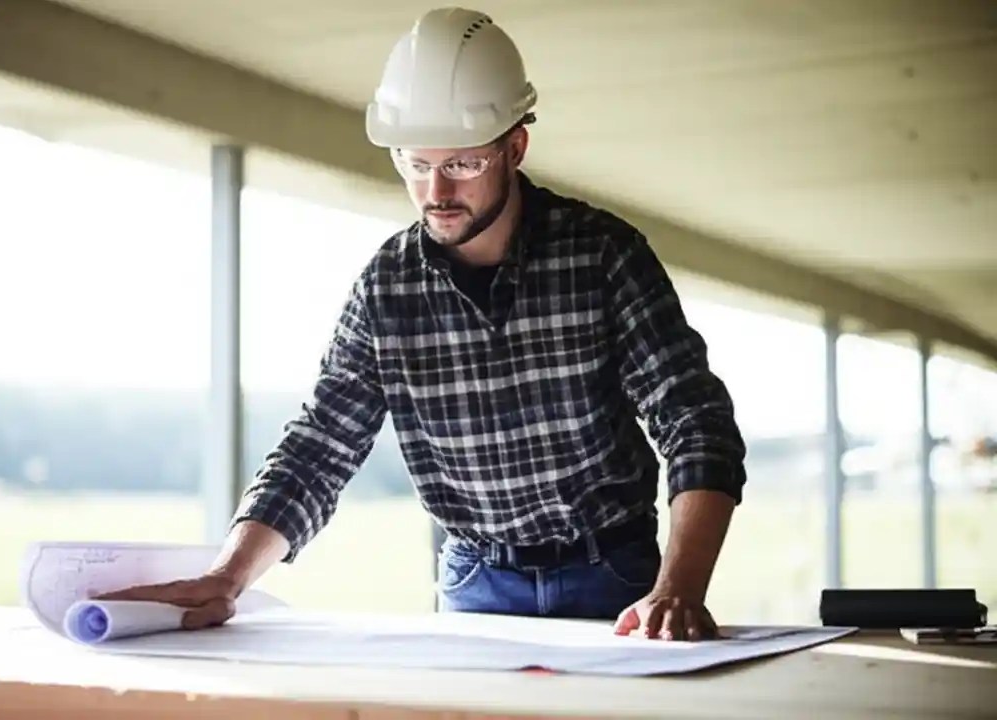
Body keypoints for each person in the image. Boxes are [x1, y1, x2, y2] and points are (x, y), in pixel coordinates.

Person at [99, 7, 747, 642]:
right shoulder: (385, 289)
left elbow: (696, 425)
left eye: (461, 165)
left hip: (616, 574)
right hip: (475, 581)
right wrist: (226, 577)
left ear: (514, 147)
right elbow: (319, 447)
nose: (436, 190)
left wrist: (678, 589)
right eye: (414, 163)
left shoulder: (604, 255)